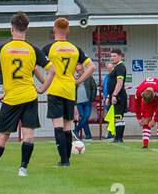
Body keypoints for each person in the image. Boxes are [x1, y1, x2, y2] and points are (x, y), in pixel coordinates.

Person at [0, 12, 50, 177]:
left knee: (2, 135)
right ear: (26, 29)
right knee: (28, 135)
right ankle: (23, 169)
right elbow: (52, 70)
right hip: (29, 97)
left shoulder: (2, 49)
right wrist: (43, 88)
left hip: (10, 99)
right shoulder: (33, 50)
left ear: (11, 28)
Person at [40, 18, 94, 166]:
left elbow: (33, 64)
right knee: (68, 126)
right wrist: (78, 80)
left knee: (57, 125)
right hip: (70, 89)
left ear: (54, 29)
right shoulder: (75, 48)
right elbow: (92, 67)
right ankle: (67, 160)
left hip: (55, 89)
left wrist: (44, 83)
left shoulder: (49, 48)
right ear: (68, 30)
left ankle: (63, 160)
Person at [133, 76, 158, 149]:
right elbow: (136, 105)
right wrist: (139, 118)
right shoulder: (139, 91)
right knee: (146, 121)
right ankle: (145, 145)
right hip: (147, 102)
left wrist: (154, 120)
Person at [105, 50, 129, 145]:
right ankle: (117, 138)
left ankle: (119, 139)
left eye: (114, 56)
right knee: (116, 118)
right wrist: (108, 96)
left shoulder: (120, 67)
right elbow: (111, 84)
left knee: (118, 117)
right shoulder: (116, 67)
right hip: (113, 96)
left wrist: (114, 95)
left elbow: (119, 83)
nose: (112, 58)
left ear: (120, 56)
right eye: (111, 56)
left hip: (119, 96)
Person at [75, 72, 97, 141]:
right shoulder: (75, 79)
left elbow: (94, 87)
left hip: (87, 101)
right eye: (77, 70)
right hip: (78, 102)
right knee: (83, 118)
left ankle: (76, 130)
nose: (79, 71)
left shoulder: (89, 77)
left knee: (86, 117)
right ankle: (88, 136)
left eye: (80, 70)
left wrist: (92, 98)